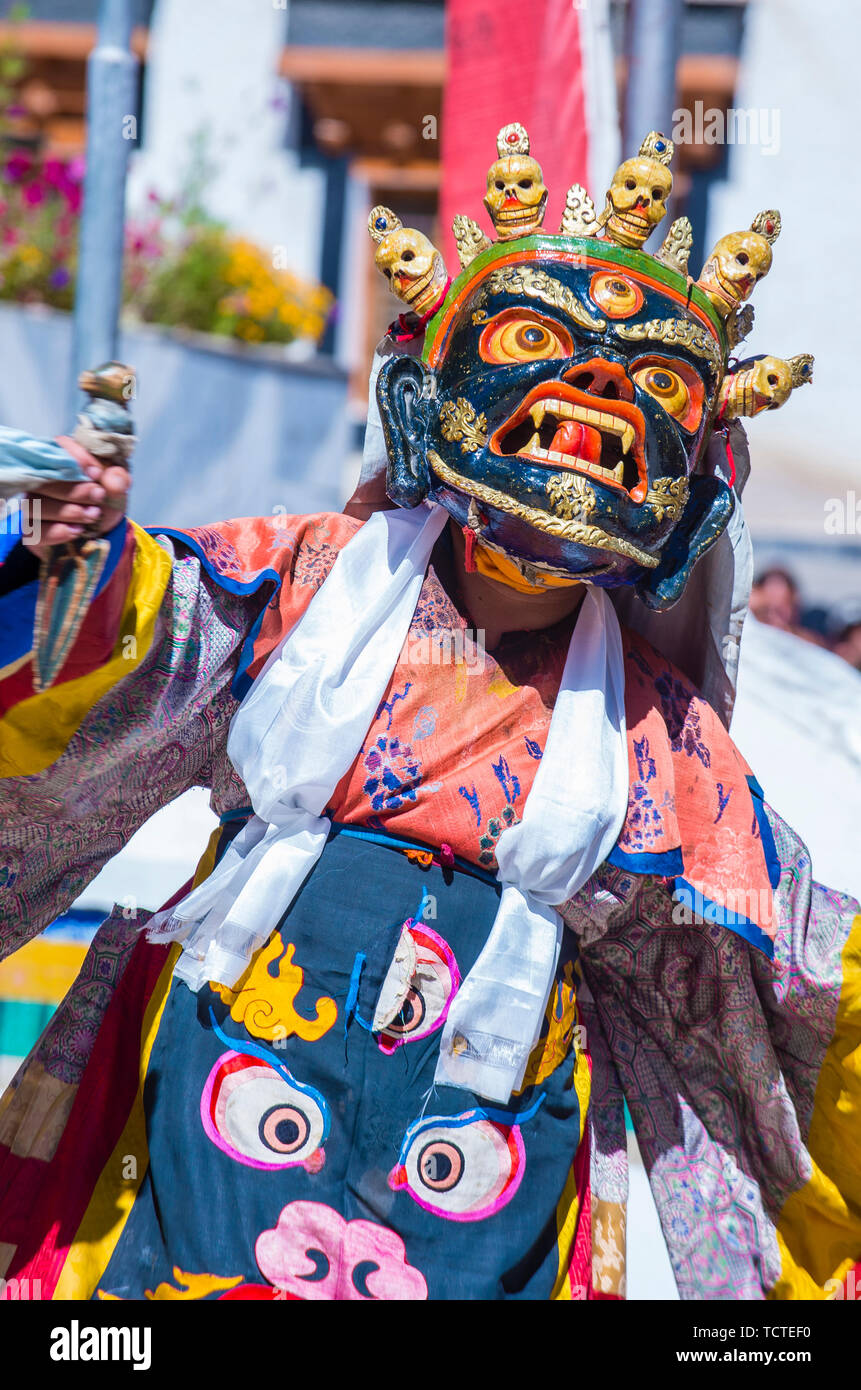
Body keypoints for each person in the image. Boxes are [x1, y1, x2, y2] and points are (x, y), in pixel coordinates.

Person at [0, 124, 857, 1303]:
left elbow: (800, 961)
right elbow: (131, 634)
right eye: (535, 343)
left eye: (654, 381)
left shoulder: (663, 745)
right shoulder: (299, 582)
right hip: (233, 1077)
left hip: (480, 1148)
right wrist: (69, 565)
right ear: (425, 392)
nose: (597, 392)